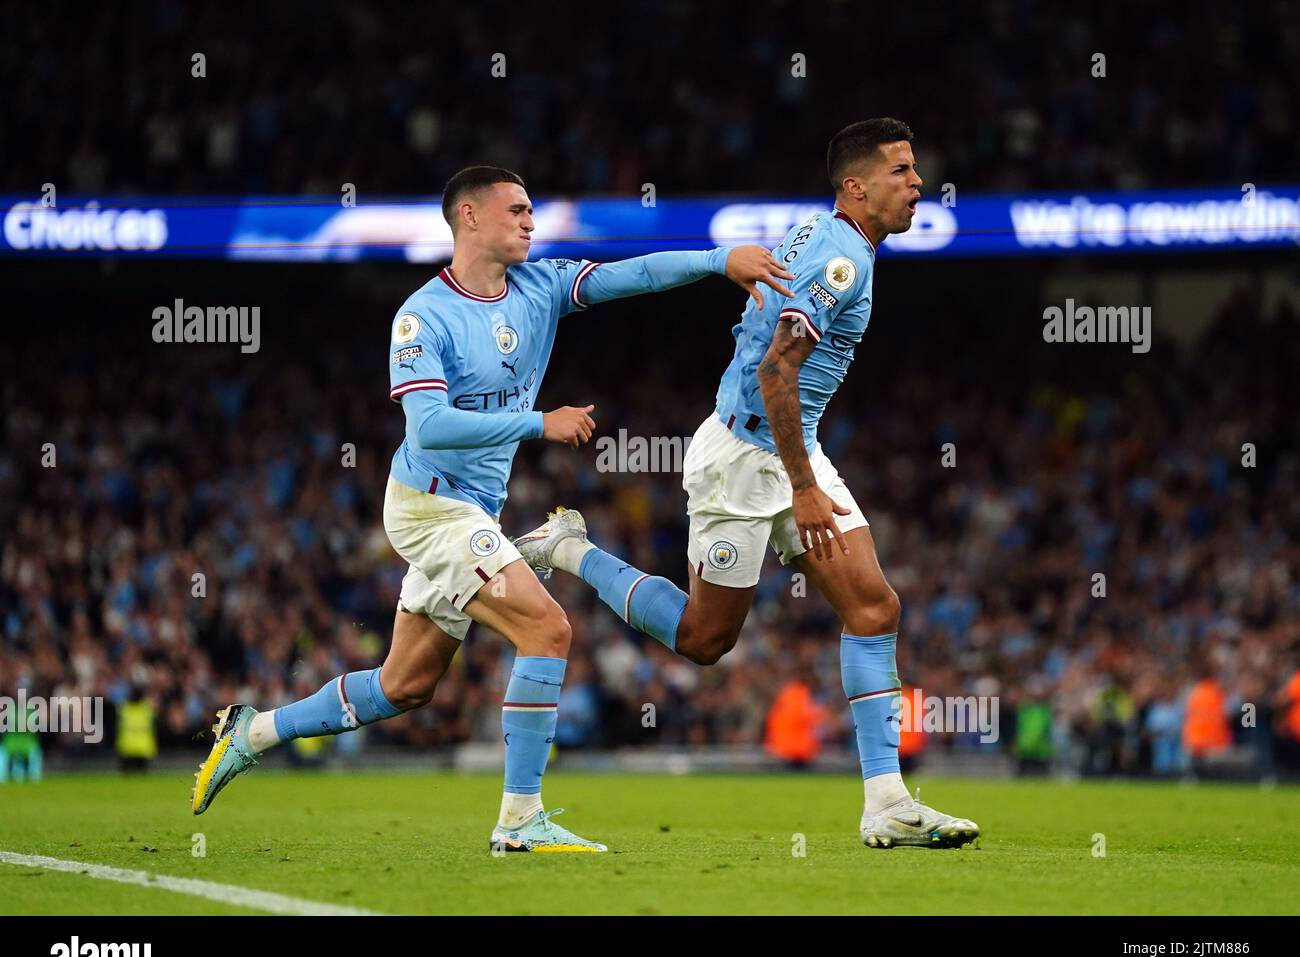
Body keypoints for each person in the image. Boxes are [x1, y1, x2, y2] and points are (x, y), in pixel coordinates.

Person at [190, 165, 794, 855]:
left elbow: (637, 275)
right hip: (430, 507)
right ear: (469, 217)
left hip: (474, 508)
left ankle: (254, 731)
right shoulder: (423, 316)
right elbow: (430, 427)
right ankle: (519, 820)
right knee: (548, 628)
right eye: (517, 210)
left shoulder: (540, 286)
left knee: (404, 684)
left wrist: (719, 260)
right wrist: (541, 424)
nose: (531, 222)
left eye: (534, 210)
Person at [516, 119, 980, 848]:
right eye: (901, 171)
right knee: (705, 642)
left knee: (872, 605)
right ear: (855, 187)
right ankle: (571, 550)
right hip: (743, 460)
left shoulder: (825, 239)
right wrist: (803, 487)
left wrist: (803, 473)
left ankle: (886, 800)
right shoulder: (840, 262)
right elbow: (776, 372)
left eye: (916, 169)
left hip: (790, 448)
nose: (918, 183)